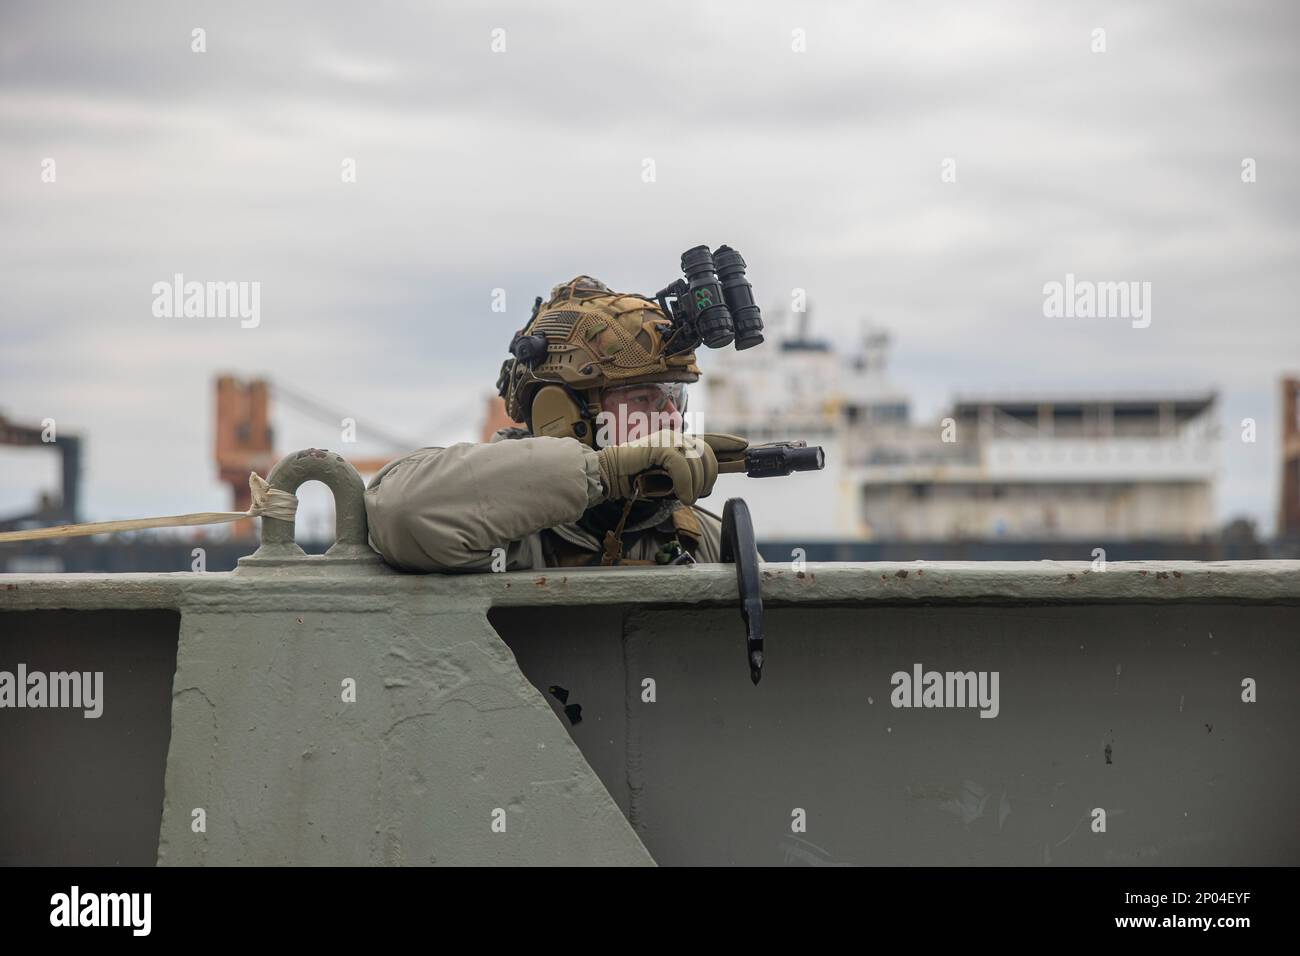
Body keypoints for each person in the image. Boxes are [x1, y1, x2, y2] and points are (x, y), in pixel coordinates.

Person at [364, 276, 722, 572]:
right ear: (562, 416)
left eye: (675, 398)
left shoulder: (705, 539)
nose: (673, 419)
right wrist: (603, 472)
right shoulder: (506, 536)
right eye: (644, 399)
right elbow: (401, 513)